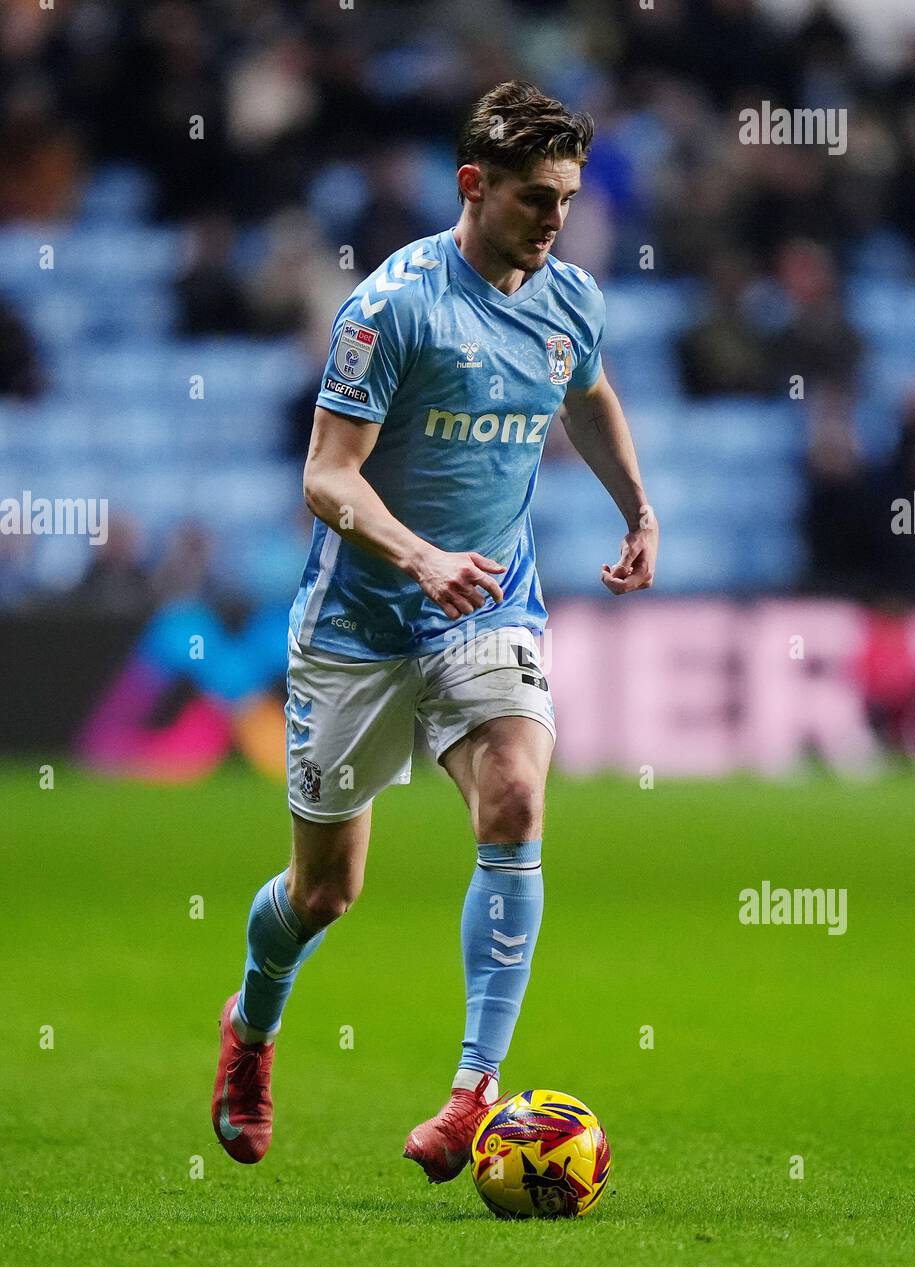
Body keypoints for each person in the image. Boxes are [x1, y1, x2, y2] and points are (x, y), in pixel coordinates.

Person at [210, 80, 658, 1182]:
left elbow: (586, 393)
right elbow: (325, 477)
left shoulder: (570, 300)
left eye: (567, 199)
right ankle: (252, 1026)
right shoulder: (392, 307)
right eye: (535, 199)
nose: (555, 220)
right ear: (474, 185)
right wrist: (416, 555)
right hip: (361, 618)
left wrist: (636, 506)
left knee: (515, 793)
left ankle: (473, 1091)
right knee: (324, 893)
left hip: (491, 600)